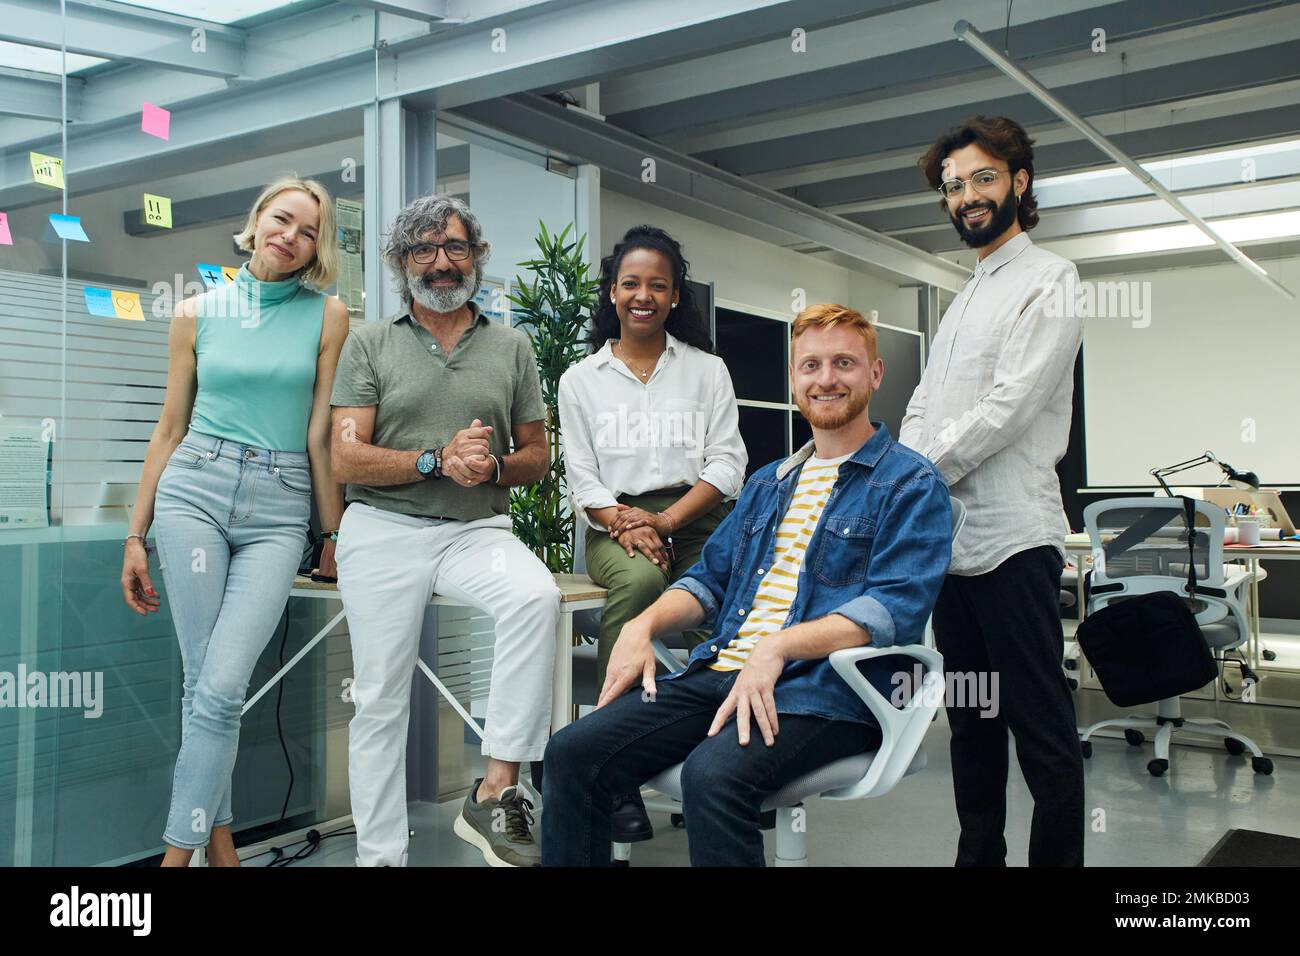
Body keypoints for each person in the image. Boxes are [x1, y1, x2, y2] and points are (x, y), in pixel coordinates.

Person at [541, 304, 951, 866]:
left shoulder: (911, 482)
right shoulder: (768, 483)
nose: (826, 379)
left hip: (827, 692)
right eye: (810, 366)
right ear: (794, 379)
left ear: (874, 375)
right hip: (725, 673)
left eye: (843, 364)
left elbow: (890, 610)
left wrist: (778, 646)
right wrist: (644, 623)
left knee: (714, 776)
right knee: (572, 751)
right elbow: (709, 580)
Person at [121, 177, 349, 867]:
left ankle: (182, 858)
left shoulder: (328, 314)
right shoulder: (196, 313)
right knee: (206, 688)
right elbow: (169, 428)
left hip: (279, 508)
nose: (292, 235)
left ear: (317, 248)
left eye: (309, 230)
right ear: (256, 221)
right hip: (193, 489)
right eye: (283, 219)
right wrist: (135, 534)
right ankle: (213, 853)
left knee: (218, 688)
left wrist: (331, 533)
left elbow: (318, 437)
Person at [329, 194, 558, 867]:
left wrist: (490, 466)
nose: (440, 261)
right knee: (378, 699)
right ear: (403, 262)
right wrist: (434, 460)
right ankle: (381, 860)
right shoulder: (371, 341)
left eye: (454, 246)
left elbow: (537, 457)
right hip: (383, 527)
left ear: (475, 256)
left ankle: (494, 789)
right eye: (423, 249)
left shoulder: (510, 345)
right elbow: (346, 455)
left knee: (535, 598)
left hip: (474, 530)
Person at [902, 115, 1085, 866]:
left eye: (981, 178)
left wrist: (918, 474)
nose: (967, 196)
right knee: (973, 722)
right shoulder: (964, 295)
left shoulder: (1051, 280)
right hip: (955, 555)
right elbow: (923, 404)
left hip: (1014, 545)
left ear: (1019, 181)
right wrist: (902, 476)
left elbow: (1008, 407)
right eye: (953, 186)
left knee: (1040, 731)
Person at [557, 224, 747, 841]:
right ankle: (613, 776)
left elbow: (727, 466)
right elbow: (583, 480)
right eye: (631, 283)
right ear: (612, 292)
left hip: (697, 516)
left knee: (737, 605)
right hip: (614, 521)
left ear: (673, 296)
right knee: (639, 585)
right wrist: (626, 522)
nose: (644, 295)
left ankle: (725, 765)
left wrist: (665, 520)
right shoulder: (579, 380)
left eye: (657, 286)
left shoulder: (707, 370)